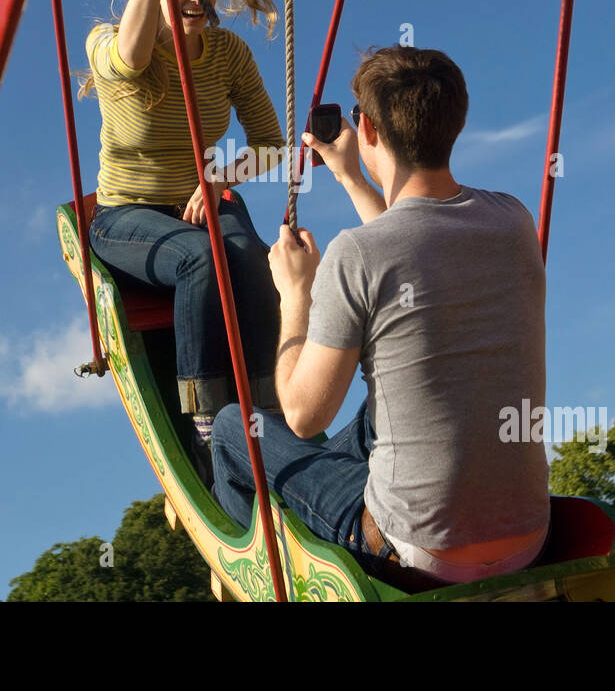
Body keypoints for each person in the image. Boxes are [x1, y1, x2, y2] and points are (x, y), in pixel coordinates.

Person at [211, 45, 550, 589]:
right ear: (456, 121)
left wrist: (296, 295)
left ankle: (252, 582)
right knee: (387, 399)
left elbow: (304, 415)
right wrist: (351, 179)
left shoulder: (357, 253)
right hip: (529, 537)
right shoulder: (511, 220)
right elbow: (417, 250)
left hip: (414, 547)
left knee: (233, 429)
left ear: (365, 127)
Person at [75, 0, 284, 460]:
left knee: (250, 257)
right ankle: (208, 421)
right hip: (126, 215)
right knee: (201, 257)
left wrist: (219, 177)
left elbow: (272, 143)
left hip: (200, 195)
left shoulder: (228, 54)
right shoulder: (108, 44)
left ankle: (271, 409)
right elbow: (132, 57)